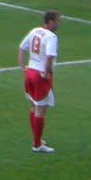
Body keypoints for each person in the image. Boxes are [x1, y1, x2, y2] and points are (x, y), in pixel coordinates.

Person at [18, 9, 60, 154]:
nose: (59, 23)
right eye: (57, 20)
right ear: (50, 21)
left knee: (33, 106)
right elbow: (49, 57)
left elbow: (22, 47)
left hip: (30, 72)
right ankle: (37, 145)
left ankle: (36, 139)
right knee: (40, 109)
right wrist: (47, 73)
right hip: (40, 75)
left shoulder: (35, 31)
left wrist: (22, 67)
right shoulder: (51, 37)